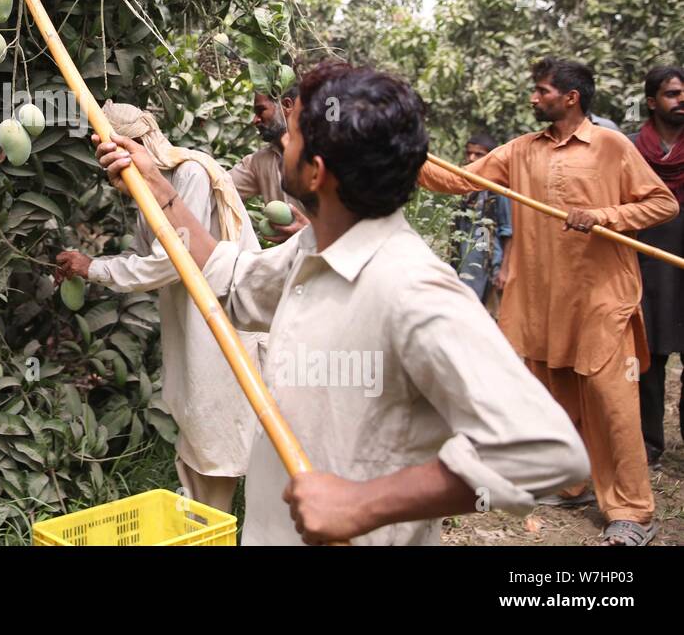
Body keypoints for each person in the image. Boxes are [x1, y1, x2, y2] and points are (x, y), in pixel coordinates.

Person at [92, 61, 589, 545]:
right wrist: (157, 186)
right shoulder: (310, 253)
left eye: (296, 132)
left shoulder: (409, 287)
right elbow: (232, 277)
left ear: (317, 173)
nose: (283, 139)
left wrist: (363, 503)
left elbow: (545, 449)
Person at [419, 57, 679, 546]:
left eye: (541, 91)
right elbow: (459, 180)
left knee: (612, 406)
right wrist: (402, 153)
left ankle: (633, 512)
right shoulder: (520, 150)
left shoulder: (611, 145)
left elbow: (662, 203)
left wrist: (604, 215)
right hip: (544, 301)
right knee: (554, 398)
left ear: (571, 97)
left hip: (603, 299)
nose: (534, 99)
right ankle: (573, 484)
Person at [54, 101, 265, 514]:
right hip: (191, 325)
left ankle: (220, 524)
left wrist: (93, 267)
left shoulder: (190, 174)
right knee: (199, 423)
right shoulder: (145, 191)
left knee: (217, 426)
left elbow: (174, 259)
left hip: (223, 320)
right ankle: (206, 524)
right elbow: (143, 257)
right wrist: (91, 267)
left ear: (136, 146)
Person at [630, 66, 684, 469]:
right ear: (652, 102)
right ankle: (649, 445)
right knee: (649, 360)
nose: (680, 100)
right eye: (672, 94)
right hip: (647, 266)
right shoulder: (630, 150)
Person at [229, 88, 308, 243]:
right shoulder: (259, 162)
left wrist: (309, 234)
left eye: (261, 110)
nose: (255, 120)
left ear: (286, 105)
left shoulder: (325, 150)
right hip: (290, 263)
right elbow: (219, 185)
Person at [450, 133, 512, 315]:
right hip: (463, 257)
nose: (471, 158)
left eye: (478, 155)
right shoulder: (463, 187)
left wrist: (503, 269)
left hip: (487, 258)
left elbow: (507, 230)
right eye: (469, 153)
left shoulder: (497, 189)